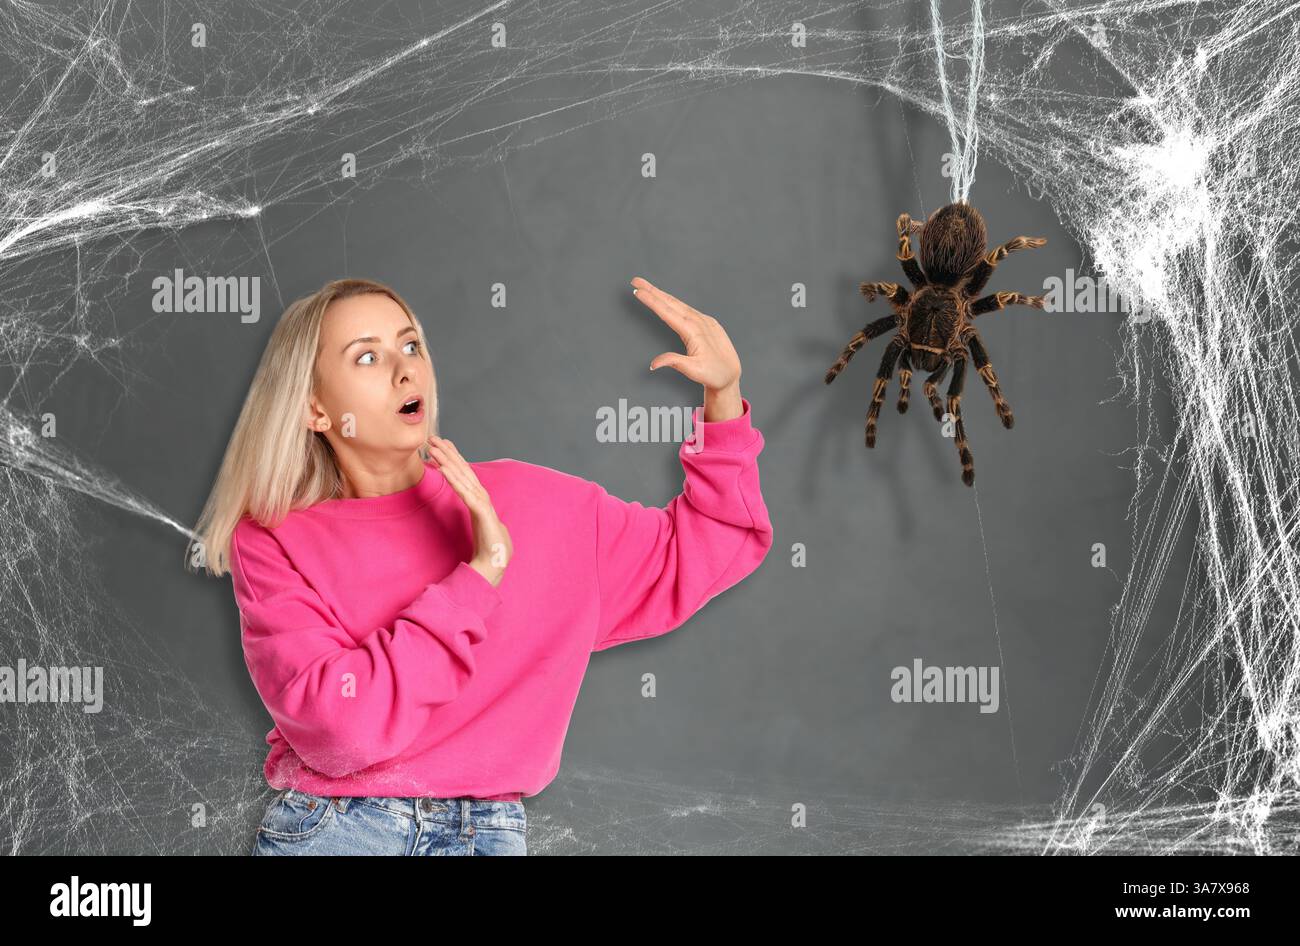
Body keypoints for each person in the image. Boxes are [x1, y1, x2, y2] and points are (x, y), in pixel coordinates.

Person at [189, 276, 774, 855]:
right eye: (367, 357)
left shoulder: (542, 506)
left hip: (490, 835)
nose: (404, 369)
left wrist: (724, 398)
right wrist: (477, 577)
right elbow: (340, 734)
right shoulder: (273, 540)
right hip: (340, 832)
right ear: (316, 408)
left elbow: (711, 542)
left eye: (410, 345)